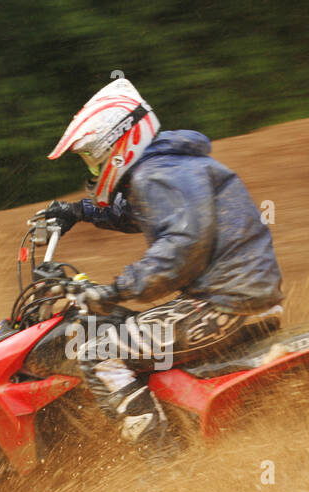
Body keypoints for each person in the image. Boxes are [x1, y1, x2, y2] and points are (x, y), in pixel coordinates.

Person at [33, 77, 284, 454]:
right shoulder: (167, 167)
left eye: (92, 158)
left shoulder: (160, 173)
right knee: (115, 324)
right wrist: (79, 211)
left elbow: (181, 248)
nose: (92, 167)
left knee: (94, 349)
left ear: (118, 146)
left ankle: (164, 461)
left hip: (225, 304)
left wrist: (113, 290)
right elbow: (146, 216)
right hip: (234, 296)